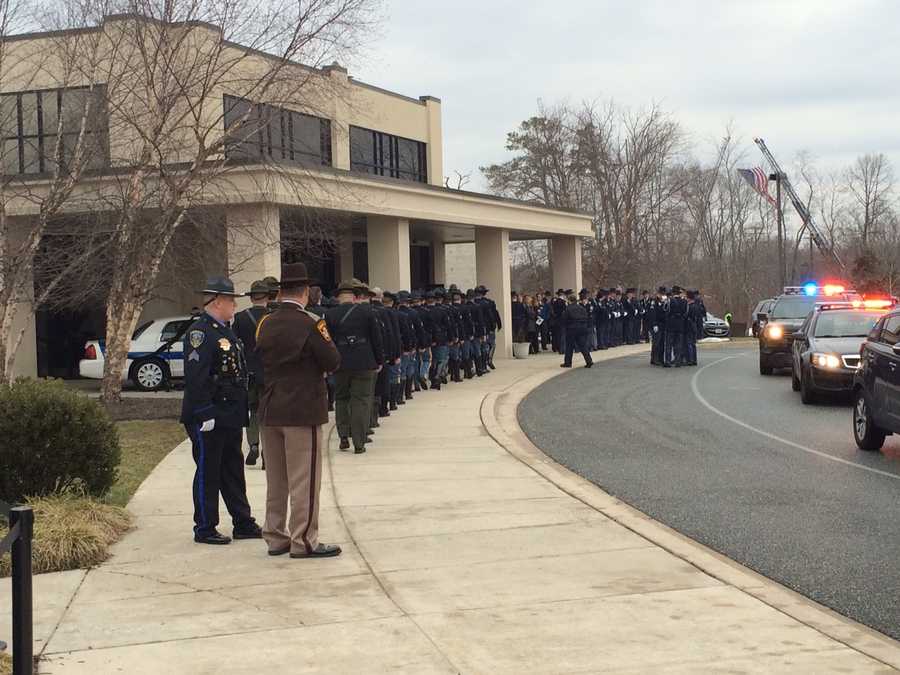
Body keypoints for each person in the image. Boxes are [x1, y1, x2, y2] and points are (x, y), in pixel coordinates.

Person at [254, 263, 342, 559]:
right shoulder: (311, 323)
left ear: (281, 292)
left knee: (276, 480)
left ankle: (275, 535)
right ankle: (303, 539)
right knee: (304, 479)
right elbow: (332, 360)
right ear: (305, 292)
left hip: (270, 407)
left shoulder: (265, 323)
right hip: (302, 409)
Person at [180, 276, 262, 545]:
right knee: (208, 470)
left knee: (232, 469)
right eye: (231, 301)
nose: (234, 306)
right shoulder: (201, 333)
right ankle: (205, 526)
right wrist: (205, 412)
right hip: (210, 413)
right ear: (217, 302)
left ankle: (243, 521)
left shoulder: (225, 330)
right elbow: (197, 377)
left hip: (229, 412)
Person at [326, 279, 384, 454]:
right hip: (364, 361)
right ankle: (359, 442)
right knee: (361, 400)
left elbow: (328, 341)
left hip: (340, 362)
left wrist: (329, 363)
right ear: (354, 296)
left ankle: (343, 436)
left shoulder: (330, 315)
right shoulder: (367, 312)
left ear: (338, 297)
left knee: (341, 399)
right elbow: (376, 338)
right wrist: (379, 360)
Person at [232, 279, 270, 468]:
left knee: (252, 410)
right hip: (269, 372)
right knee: (268, 413)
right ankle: (267, 452)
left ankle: (253, 444)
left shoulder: (240, 318)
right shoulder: (272, 317)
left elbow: (234, 345)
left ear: (252, 297)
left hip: (249, 371)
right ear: (267, 297)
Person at [561, 293, 593, 368]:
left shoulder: (568, 309)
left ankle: (568, 363)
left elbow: (564, 319)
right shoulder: (582, 308)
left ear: (569, 301)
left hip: (571, 329)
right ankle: (589, 361)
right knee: (583, 346)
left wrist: (566, 326)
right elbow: (586, 317)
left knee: (569, 347)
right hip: (582, 328)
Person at [666, 285, 688, 367]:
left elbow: (667, 311)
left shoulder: (670, 301)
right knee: (678, 344)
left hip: (671, 325)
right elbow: (685, 313)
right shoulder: (684, 302)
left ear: (673, 293)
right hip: (680, 325)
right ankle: (677, 361)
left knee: (669, 345)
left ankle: (668, 361)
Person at [650, 286, 668, 366]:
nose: (662, 295)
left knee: (662, 343)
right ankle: (654, 359)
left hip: (663, 324)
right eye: (661, 294)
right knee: (656, 342)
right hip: (657, 324)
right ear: (658, 294)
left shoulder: (665, 302)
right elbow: (653, 314)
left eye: (663, 294)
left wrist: (664, 303)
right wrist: (654, 324)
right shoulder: (654, 302)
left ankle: (660, 358)